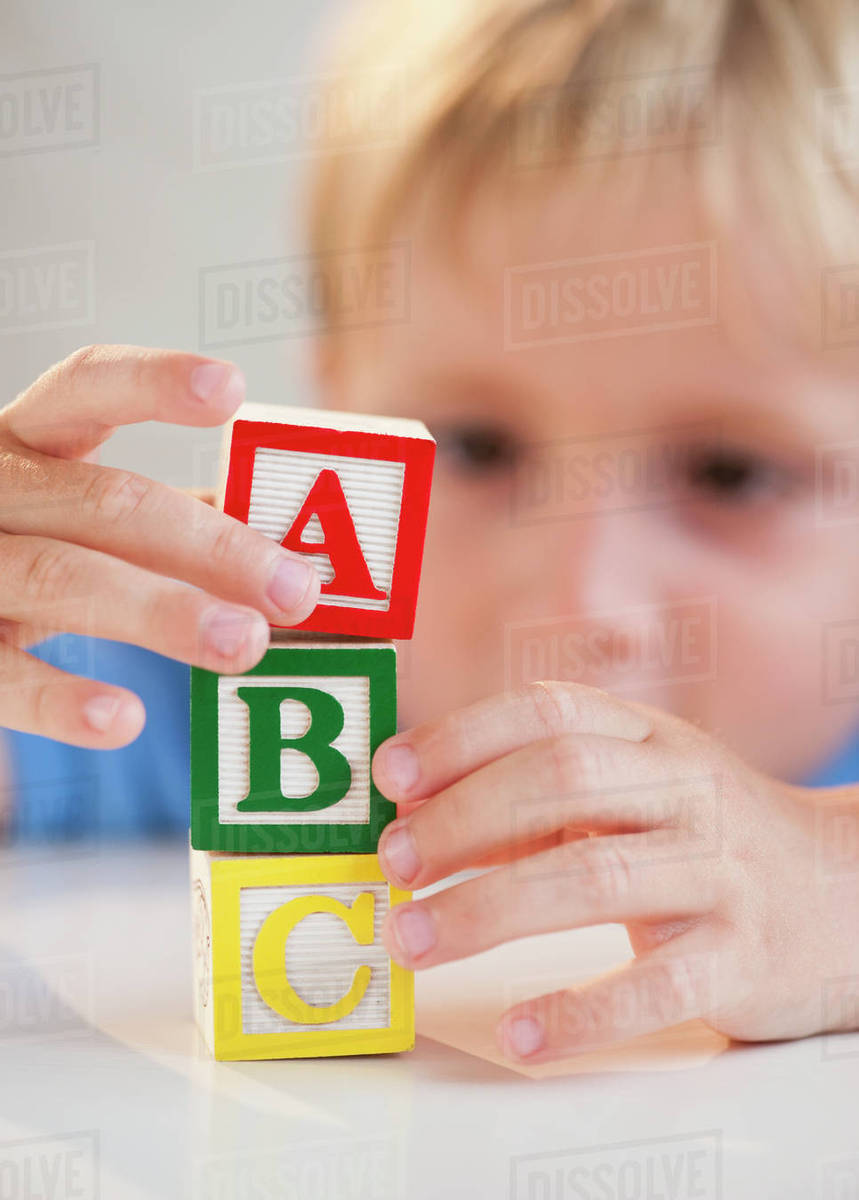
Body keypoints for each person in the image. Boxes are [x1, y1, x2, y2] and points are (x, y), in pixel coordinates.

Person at [2, 0, 859, 1062]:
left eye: (731, 473)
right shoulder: (205, 672)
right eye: (477, 447)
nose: (576, 599)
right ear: (333, 421)